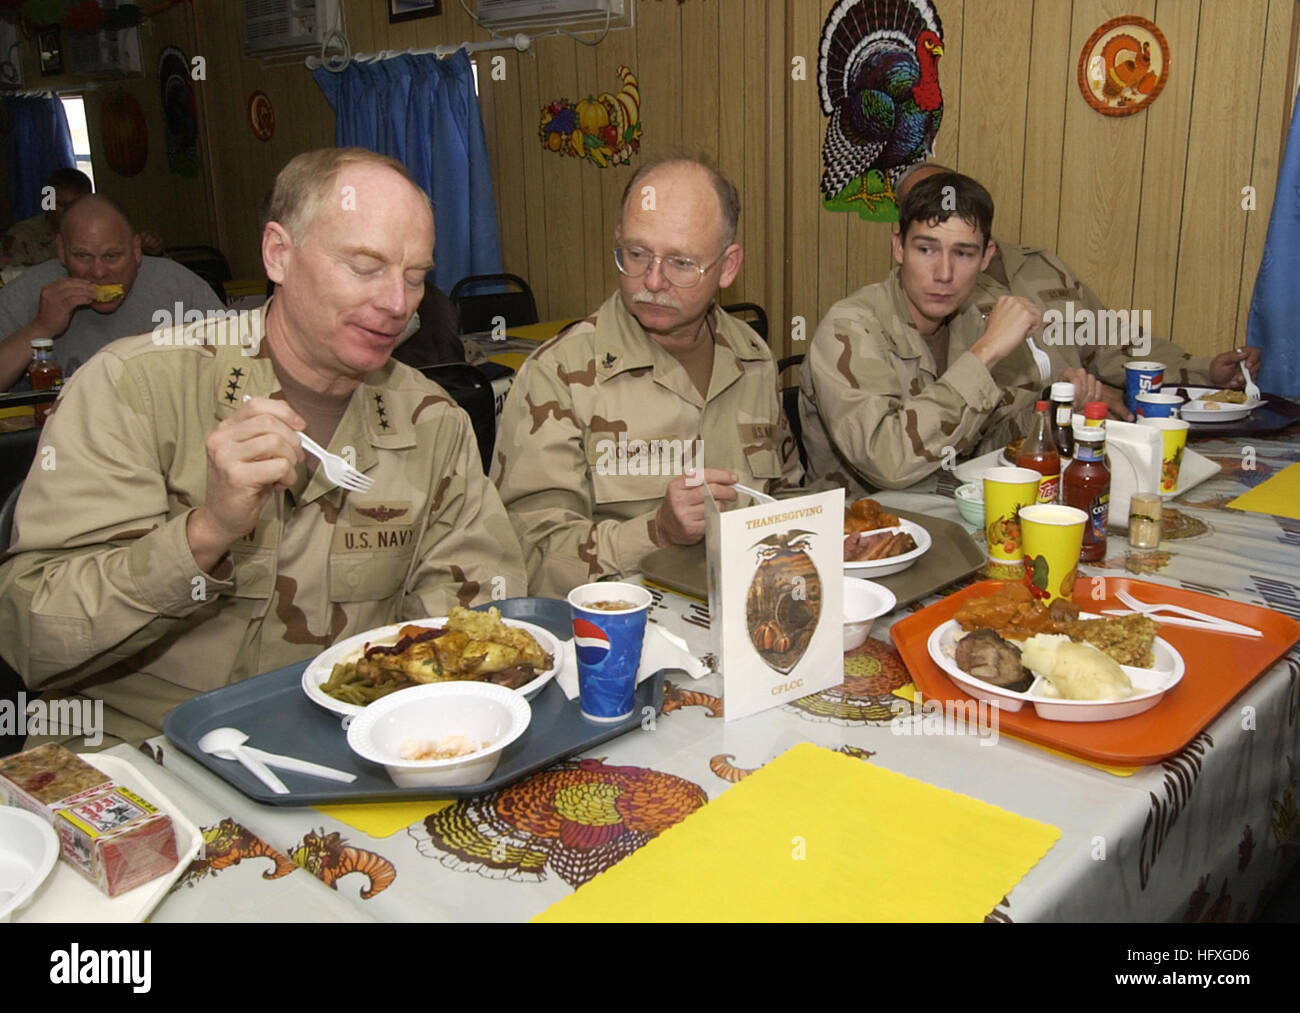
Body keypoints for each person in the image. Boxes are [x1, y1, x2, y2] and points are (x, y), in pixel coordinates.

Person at [0, 147, 527, 747]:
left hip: (352, 746)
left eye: (415, 277)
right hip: (142, 751)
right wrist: (205, 534)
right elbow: (32, 637)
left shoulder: (431, 420)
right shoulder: (134, 387)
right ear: (278, 254)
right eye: (364, 267)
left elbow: (474, 609)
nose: (396, 303)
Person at [492, 155, 802, 597]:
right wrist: (657, 532)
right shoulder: (559, 376)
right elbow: (527, 559)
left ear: (728, 266)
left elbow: (786, 496)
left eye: (681, 262)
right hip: (620, 625)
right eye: (636, 254)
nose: (653, 281)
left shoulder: (752, 359)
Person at [895, 163, 1263, 419]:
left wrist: (1203, 370)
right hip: (1009, 450)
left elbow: (1108, 341)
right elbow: (945, 404)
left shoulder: (1042, 266)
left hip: (1095, 433)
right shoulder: (928, 296)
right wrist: (1062, 401)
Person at [800, 171, 1044, 492]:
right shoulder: (849, 327)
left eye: (963, 253)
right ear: (899, 248)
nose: (944, 273)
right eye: (926, 250)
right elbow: (887, 461)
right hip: (859, 515)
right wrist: (984, 355)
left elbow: (988, 445)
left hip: (950, 505)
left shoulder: (976, 319)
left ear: (986, 257)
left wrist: (1054, 412)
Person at [0, 195, 222, 390]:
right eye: (82, 256)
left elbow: (237, 358)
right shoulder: (30, 290)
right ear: (61, 250)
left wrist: (190, 348)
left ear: (136, 250)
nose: (98, 272)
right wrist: (41, 327)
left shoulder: (177, 285)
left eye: (111, 256)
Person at [1, 167, 164, 267]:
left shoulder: (103, 230)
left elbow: (131, 268)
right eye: (62, 205)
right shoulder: (22, 236)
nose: (70, 212)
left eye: (77, 205)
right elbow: (12, 286)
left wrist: (151, 251)